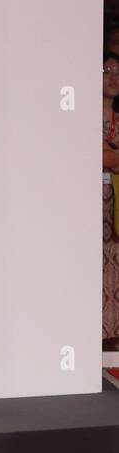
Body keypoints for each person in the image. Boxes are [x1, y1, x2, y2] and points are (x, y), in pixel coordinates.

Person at [103, 53, 119, 352]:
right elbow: (103, 159)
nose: (113, 77)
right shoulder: (81, 114)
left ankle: (111, 331)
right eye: (106, 70)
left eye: (118, 71)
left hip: (113, 197)